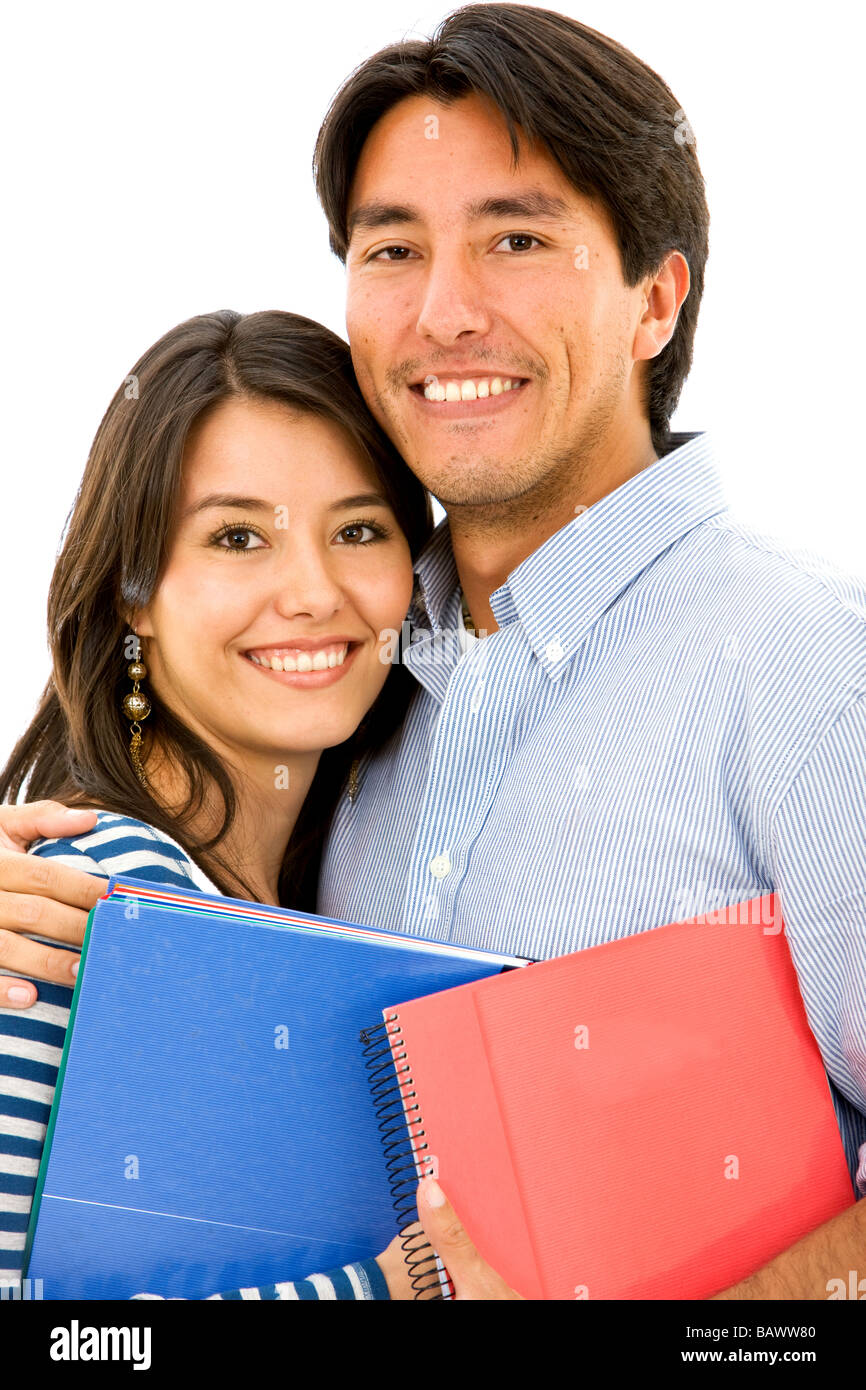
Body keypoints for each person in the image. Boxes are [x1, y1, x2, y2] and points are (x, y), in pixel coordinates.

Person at [2, 4, 865, 1299]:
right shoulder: (357, 679)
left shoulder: (806, 662)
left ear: (655, 297)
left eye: (516, 237)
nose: (447, 309)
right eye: (392, 245)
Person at [0, 306, 433, 1298]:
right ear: (132, 590)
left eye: (358, 529)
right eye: (238, 536)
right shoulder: (74, 908)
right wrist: (390, 1289)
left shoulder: (295, 911)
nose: (313, 591)